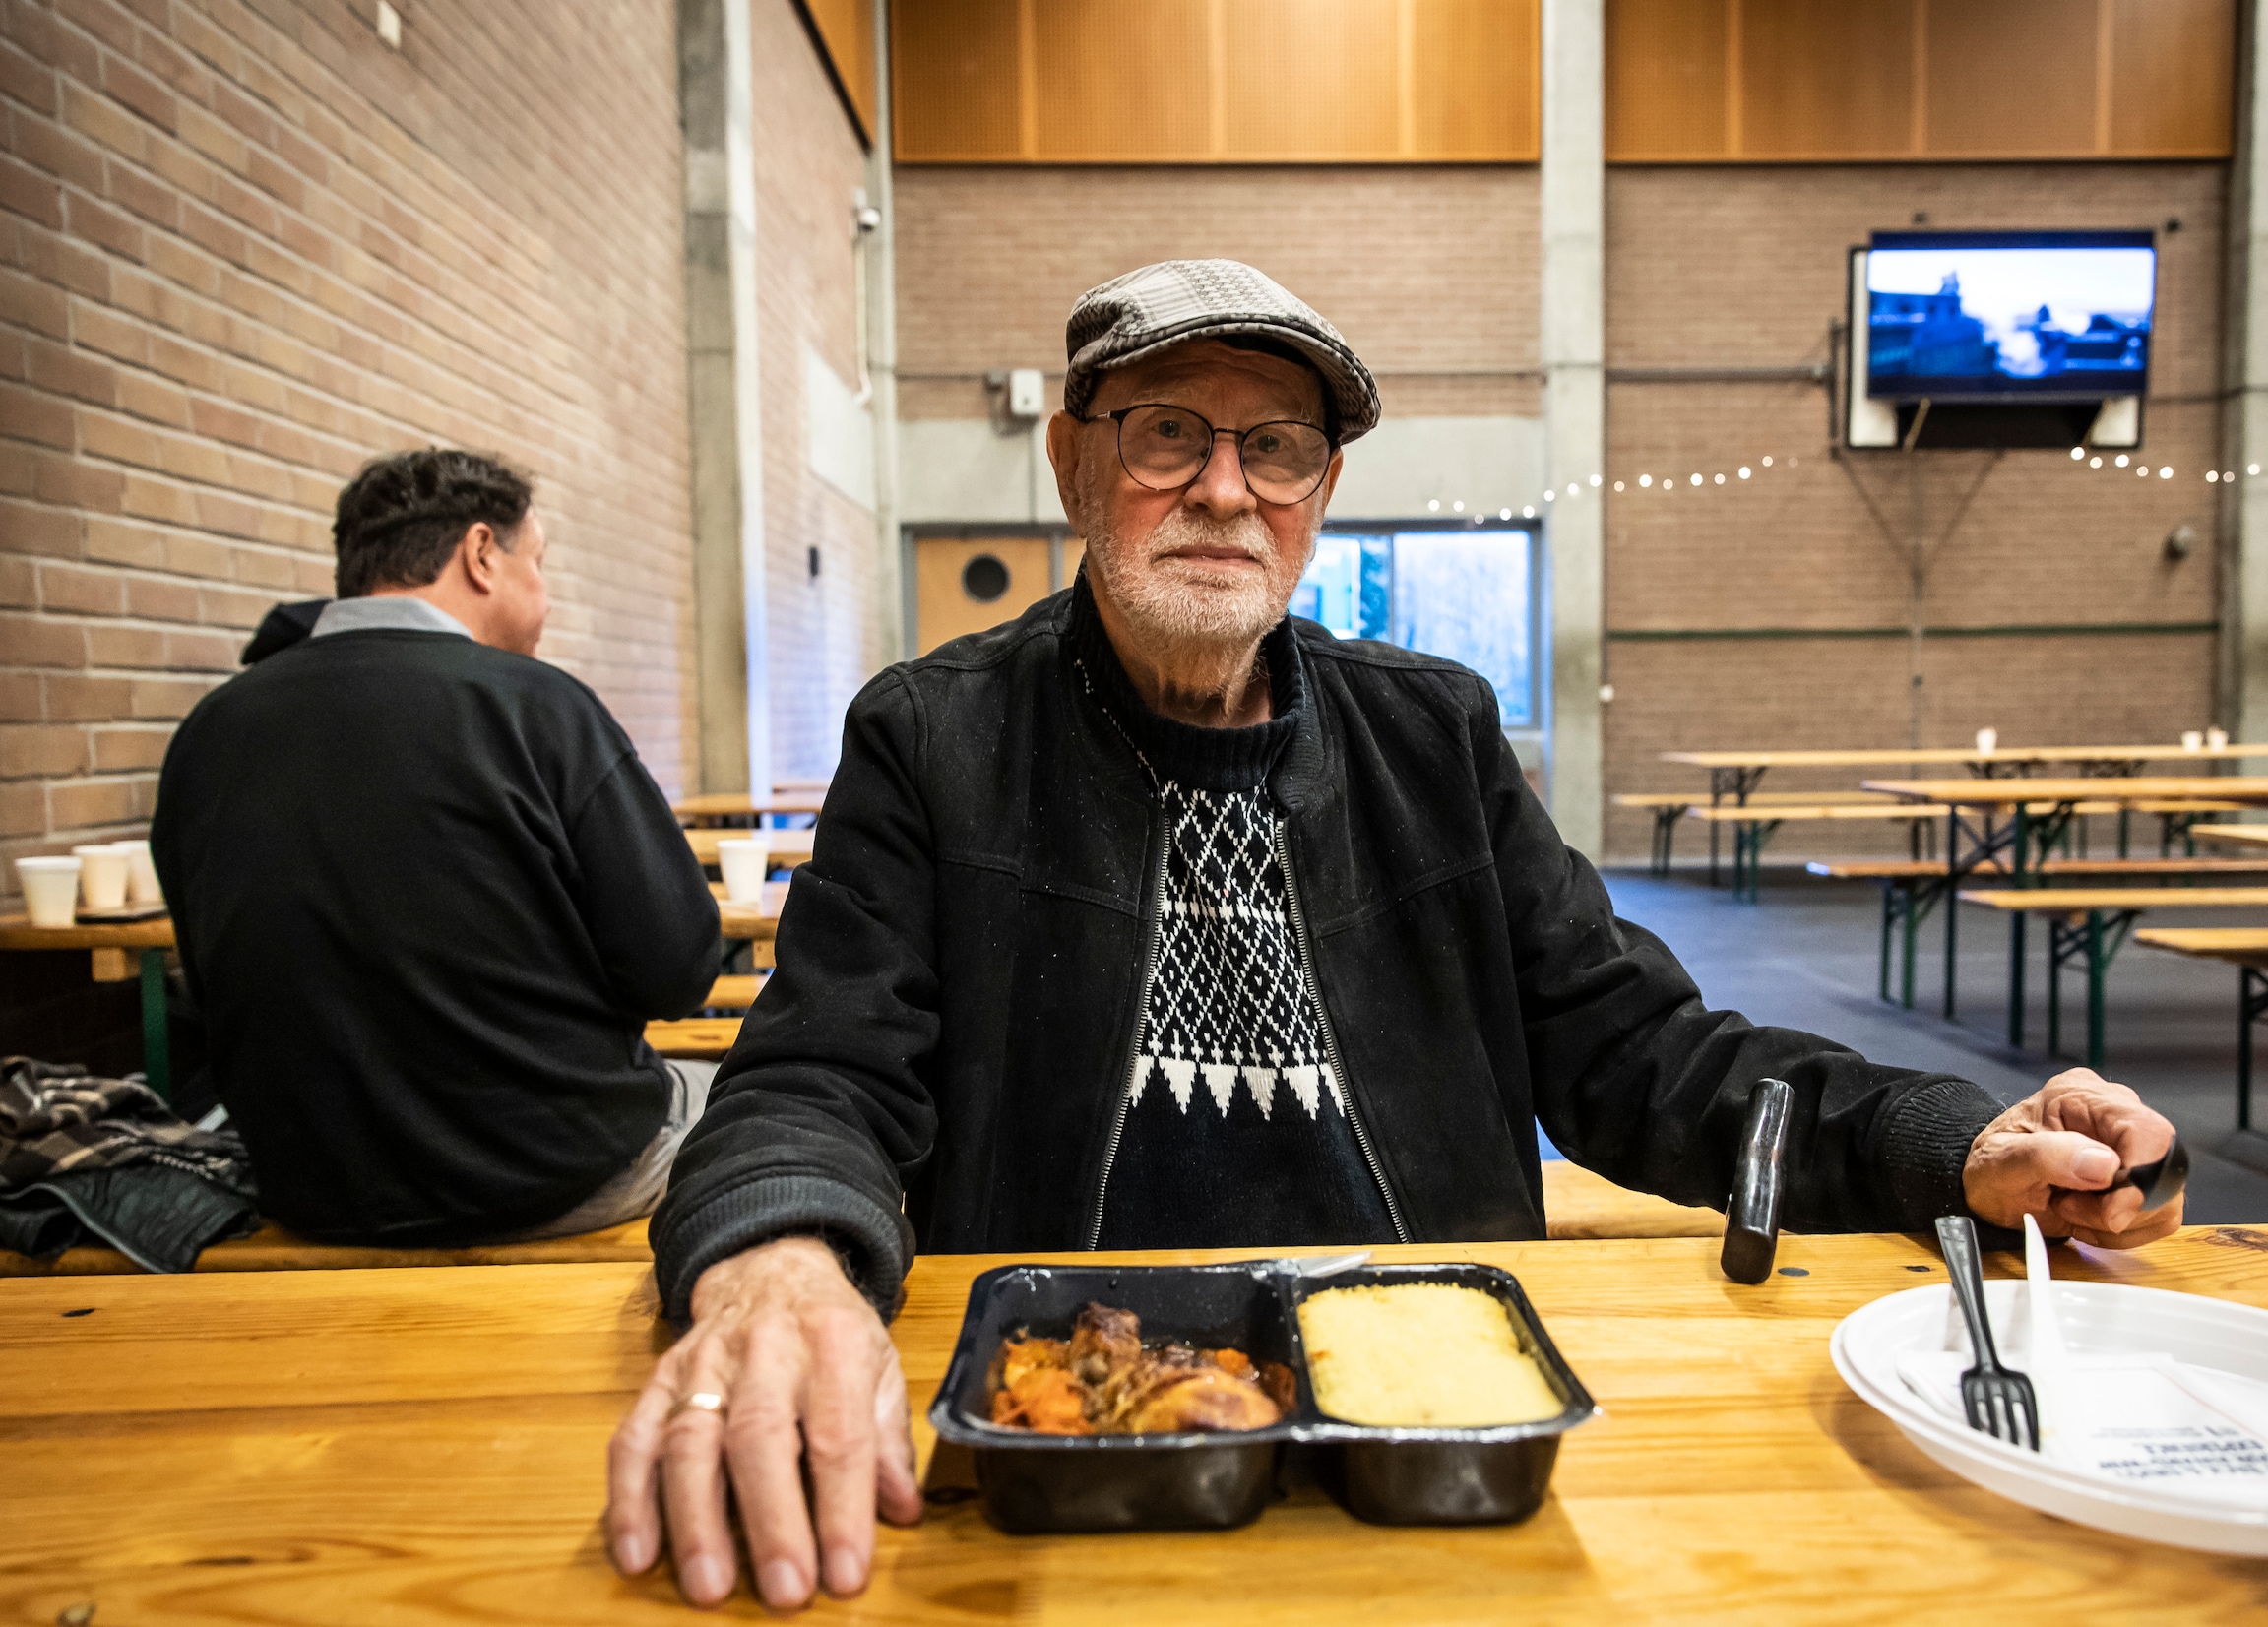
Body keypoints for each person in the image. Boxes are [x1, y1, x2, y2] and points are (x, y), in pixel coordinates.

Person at [604, 261, 2184, 1609]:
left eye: (1275, 448)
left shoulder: (1431, 735)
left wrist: (1945, 1141)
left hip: (1433, 1425)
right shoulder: (933, 738)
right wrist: (778, 1263)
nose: (1225, 488)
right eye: (1169, 434)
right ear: (1079, 464)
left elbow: (1642, 1049)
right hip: (1067, 1438)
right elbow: (818, 1069)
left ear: (1319, 496)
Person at [153, 449, 723, 1249]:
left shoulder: (208, 733)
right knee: (766, 1102)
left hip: (310, 1191)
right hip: (558, 1178)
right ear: (482, 553)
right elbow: (681, 967)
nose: (546, 597)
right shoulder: (539, 708)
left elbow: (215, 984)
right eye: (541, 563)